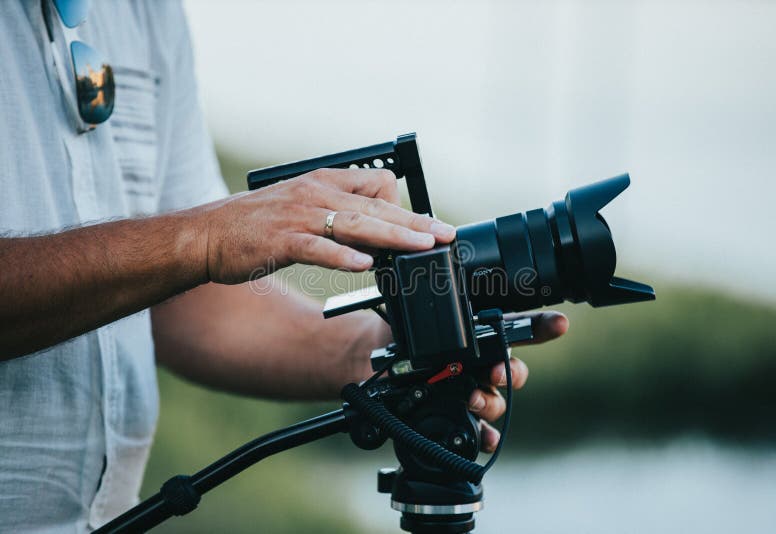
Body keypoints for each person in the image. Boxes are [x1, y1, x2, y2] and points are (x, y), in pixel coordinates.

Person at [0, 1, 568, 531]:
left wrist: (376, 353)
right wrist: (205, 237)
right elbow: (189, 252)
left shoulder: (146, 13)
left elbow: (179, 302)